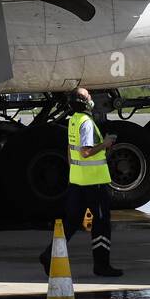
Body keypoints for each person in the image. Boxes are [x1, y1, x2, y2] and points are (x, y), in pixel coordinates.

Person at [39, 87, 123, 277]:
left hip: (77, 181)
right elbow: (85, 152)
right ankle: (102, 265)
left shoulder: (74, 121)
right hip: (94, 182)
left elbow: (70, 153)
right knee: (101, 223)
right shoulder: (86, 122)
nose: (91, 98)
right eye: (88, 96)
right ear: (85, 102)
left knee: (72, 222)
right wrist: (106, 144)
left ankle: (48, 254)